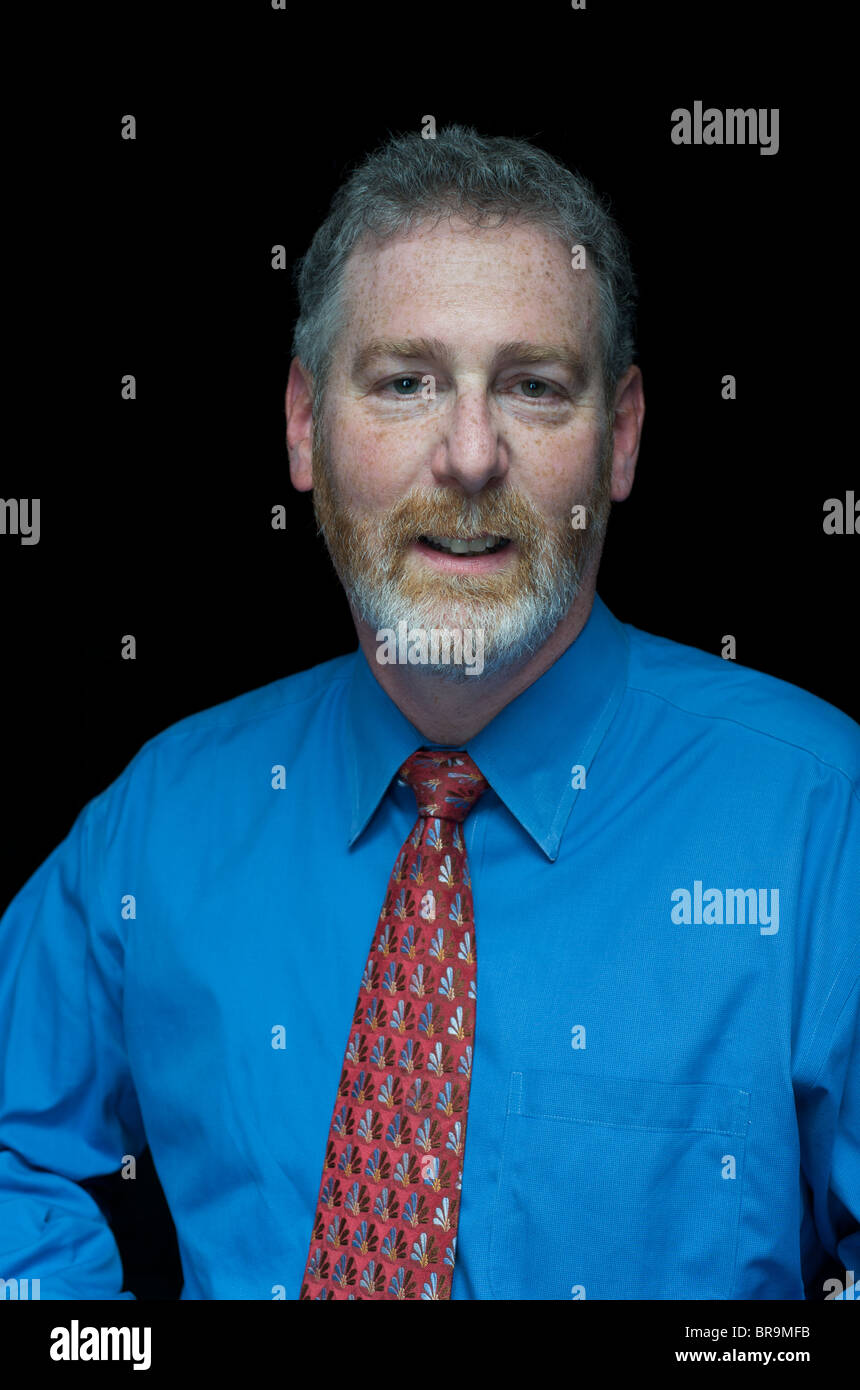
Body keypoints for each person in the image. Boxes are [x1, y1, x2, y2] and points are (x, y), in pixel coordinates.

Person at [1, 126, 857, 1301]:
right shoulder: (165, 814)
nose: (466, 455)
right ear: (305, 426)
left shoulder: (820, 819)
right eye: (405, 382)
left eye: (533, 387)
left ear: (620, 436)